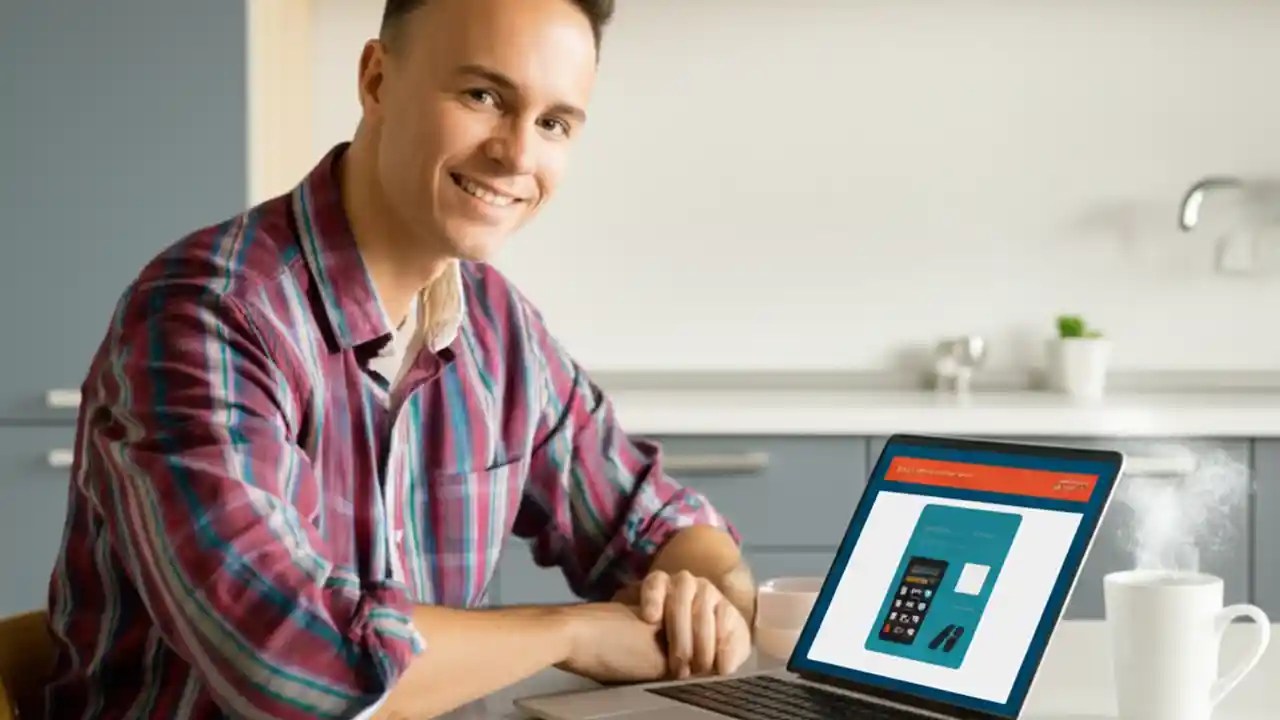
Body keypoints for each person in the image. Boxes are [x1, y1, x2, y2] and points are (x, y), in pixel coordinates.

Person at [40, 0, 757, 717]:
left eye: (553, 123)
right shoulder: (209, 313)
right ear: (378, 80)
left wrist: (702, 599)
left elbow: (657, 521)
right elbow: (288, 665)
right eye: (483, 96)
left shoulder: (497, 325)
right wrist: (568, 631)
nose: (517, 154)